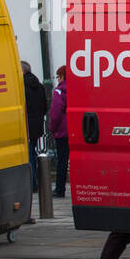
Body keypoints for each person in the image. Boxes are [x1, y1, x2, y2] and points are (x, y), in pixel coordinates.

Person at [20, 61, 46, 194]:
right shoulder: (40, 86)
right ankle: (40, 181)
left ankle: (33, 184)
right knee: (34, 152)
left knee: (29, 154)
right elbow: (44, 106)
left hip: (28, 126)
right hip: (38, 125)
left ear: (22, 71)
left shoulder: (22, 86)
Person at [48, 64, 70, 197]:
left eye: (58, 76)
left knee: (62, 161)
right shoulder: (75, 90)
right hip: (76, 130)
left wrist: (52, 128)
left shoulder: (59, 92)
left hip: (62, 131)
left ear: (62, 76)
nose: (57, 79)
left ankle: (60, 189)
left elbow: (55, 114)